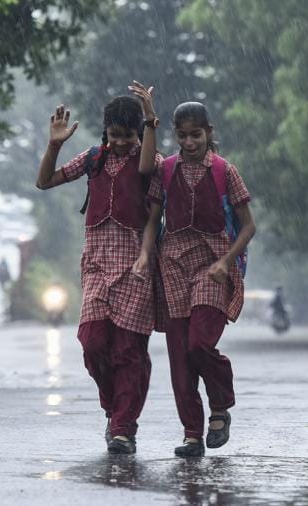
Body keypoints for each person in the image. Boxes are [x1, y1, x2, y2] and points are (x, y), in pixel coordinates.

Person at [35, 85, 162, 455]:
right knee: (92, 343)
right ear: (105, 131)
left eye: (129, 136)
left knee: (129, 350)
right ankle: (113, 408)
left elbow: (146, 164)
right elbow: (45, 182)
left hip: (136, 263)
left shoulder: (149, 159)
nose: (121, 142)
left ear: (139, 134)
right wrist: (54, 145)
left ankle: (124, 426)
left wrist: (150, 119)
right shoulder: (94, 158)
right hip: (96, 263)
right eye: (115, 135)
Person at [136, 101, 256, 457]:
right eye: (183, 136)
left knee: (199, 345)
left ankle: (220, 406)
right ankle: (192, 433)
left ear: (209, 133)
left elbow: (248, 226)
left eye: (196, 135)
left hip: (213, 264)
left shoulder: (225, 171)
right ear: (176, 135)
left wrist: (226, 261)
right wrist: (145, 253)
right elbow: (153, 220)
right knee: (179, 357)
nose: (189, 142)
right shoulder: (167, 170)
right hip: (172, 264)